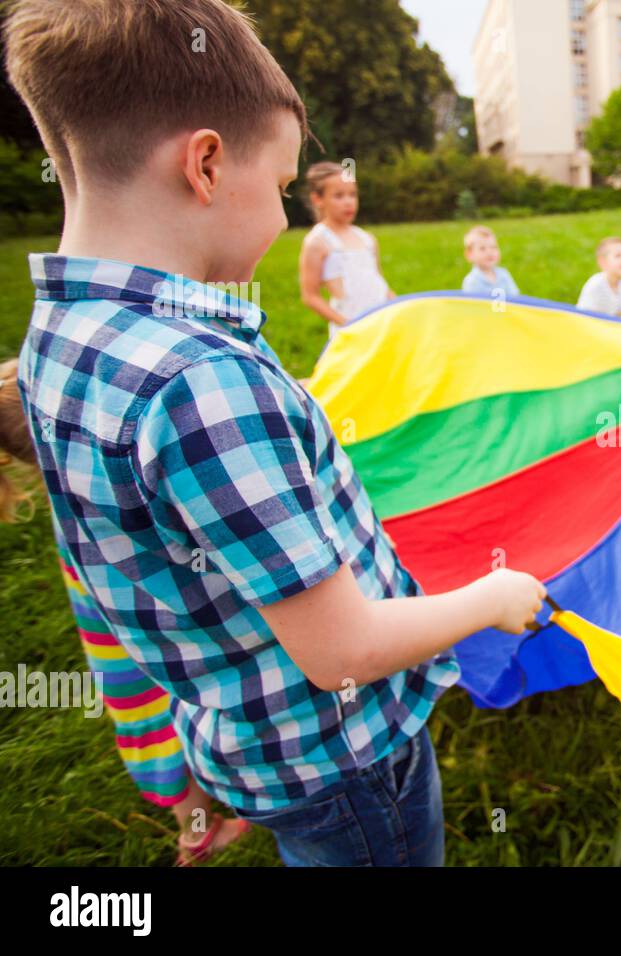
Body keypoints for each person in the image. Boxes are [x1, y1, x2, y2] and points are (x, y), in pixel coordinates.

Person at [5, 0, 546, 867]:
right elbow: (344, 652)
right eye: (287, 185)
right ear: (208, 164)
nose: (289, 217)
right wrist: (494, 599)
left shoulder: (56, 341)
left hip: (246, 740)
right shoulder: (201, 382)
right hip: (348, 758)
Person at [2, 360, 251, 866]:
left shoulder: (70, 497)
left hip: (121, 653)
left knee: (163, 739)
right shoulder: (112, 499)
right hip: (161, 651)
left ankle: (198, 832)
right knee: (177, 731)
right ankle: (203, 835)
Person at [298, 161, 395, 339]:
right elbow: (310, 296)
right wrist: (347, 324)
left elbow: (379, 282)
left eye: (352, 195)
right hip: (351, 330)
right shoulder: (318, 241)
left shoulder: (367, 239)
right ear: (317, 199)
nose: (348, 202)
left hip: (380, 324)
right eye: (339, 196)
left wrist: (397, 305)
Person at [576, 237, 621, 316]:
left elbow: (619, 318)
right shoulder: (595, 285)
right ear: (602, 262)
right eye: (618, 256)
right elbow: (583, 314)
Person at [461, 225, 521, 297]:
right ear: (470, 255)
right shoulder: (471, 281)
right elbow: (472, 305)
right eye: (482, 248)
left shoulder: (504, 274)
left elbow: (516, 298)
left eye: (493, 247)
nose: (489, 252)